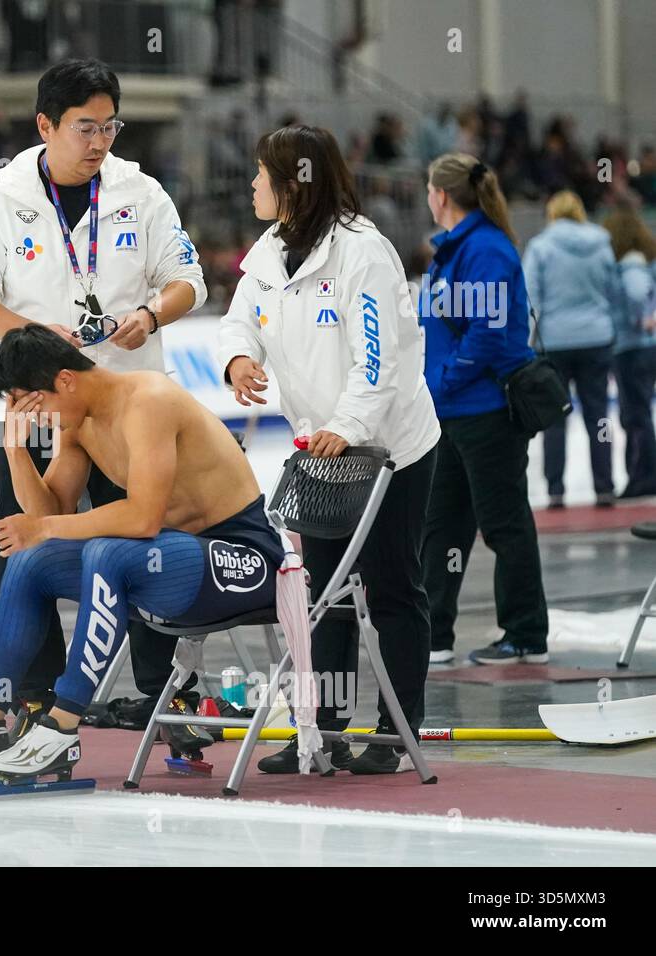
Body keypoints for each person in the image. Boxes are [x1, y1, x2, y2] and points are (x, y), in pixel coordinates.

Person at [0, 59, 208, 736]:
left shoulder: (140, 192)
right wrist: (35, 334)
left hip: (127, 405)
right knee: (21, 539)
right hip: (37, 404)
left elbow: (189, 279)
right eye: (85, 127)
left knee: (149, 541)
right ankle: (31, 693)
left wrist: (151, 315)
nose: (100, 142)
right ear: (45, 126)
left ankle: (169, 698)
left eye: (110, 126)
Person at [0, 326, 283, 782]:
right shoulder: (78, 421)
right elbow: (53, 512)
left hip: (242, 557)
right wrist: (14, 448)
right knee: (29, 562)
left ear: (65, 380)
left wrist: (43, 527)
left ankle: (63, 723)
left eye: (35, 403)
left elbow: (143, 518)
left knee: (108, 550)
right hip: (175, 559)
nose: (38, 418)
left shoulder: (148, 400)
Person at [217, 125, 440, 774]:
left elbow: (380, 358)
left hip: (389, 448)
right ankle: (322, 731)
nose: (253, 185)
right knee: (325, 593)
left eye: (262, 175)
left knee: (393, 589)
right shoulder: (267, 251)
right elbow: (241, 318)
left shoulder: (362, 253)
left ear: (293, 186)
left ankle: (399, 736)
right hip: (324, 453)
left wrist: (348, 423)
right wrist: (237, 357)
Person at [419, 153, 551, 665]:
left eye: (430, 189)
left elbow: (490, 335)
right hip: (452, 413)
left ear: (443, 195)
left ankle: (526, 633)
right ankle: (434, 636)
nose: (428, 197)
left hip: (486, 412)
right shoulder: (451, 252)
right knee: (441, 526)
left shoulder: (486, 250)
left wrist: (446, 380)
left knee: (503, 522)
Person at [522, 190, 619, 508]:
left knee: (555, 418)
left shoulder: (540, 248)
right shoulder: (602, 245)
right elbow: (614, 291)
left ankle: (555, 490)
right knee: (599, 417)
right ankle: (604, 487)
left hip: (556, 343)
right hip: (596, 338)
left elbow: (531, 298)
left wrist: (530, 342)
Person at [603, 208, 656, 499]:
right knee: (639, 412)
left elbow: (638, 293)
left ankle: (644, 477)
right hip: (645, 346)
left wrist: (641, 317)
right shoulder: (646, 261)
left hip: (631, 347)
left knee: (635, 414)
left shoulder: (629, 265)